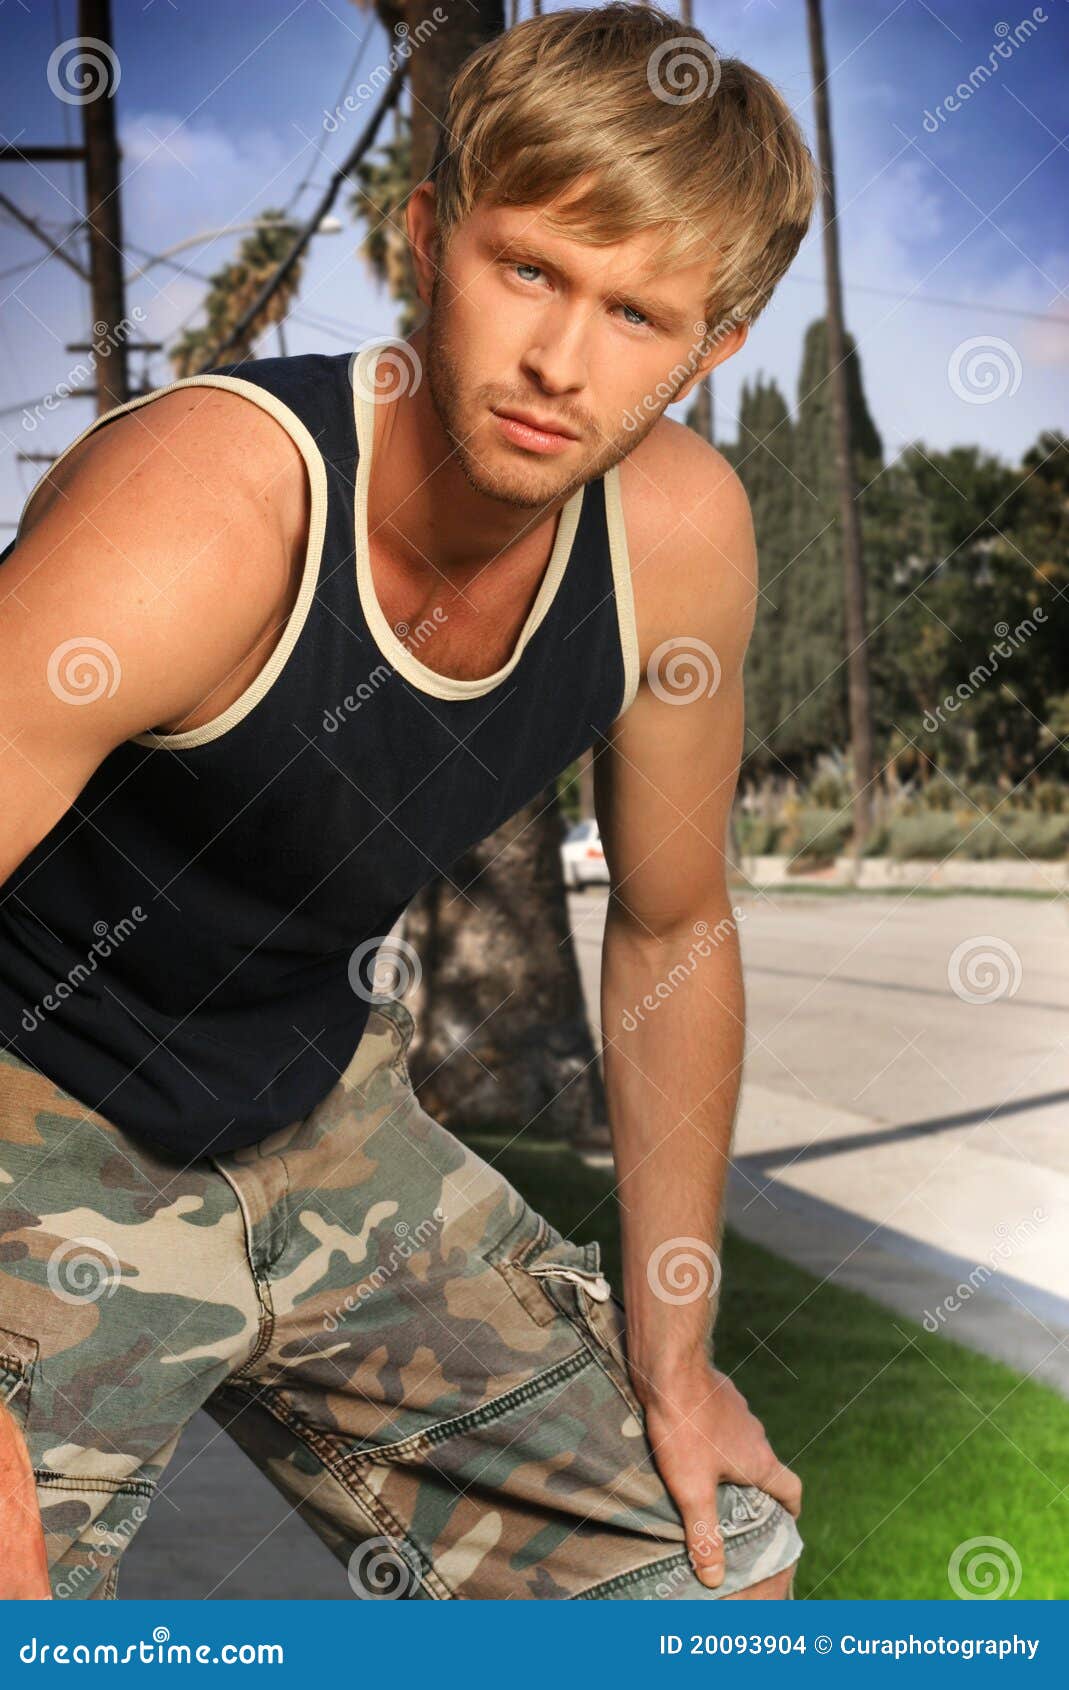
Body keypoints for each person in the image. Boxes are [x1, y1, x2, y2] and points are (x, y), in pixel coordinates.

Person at [0, 3, 815, 1600]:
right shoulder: (204, 511)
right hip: (33, 1109)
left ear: (711, 349)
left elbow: (669, 924)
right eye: (527, 270)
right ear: (427, 241)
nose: (559, 364)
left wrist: (673, 1349)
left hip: (323, 1111)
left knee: (707, 1569)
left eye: (637, 314)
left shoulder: (679, 542)